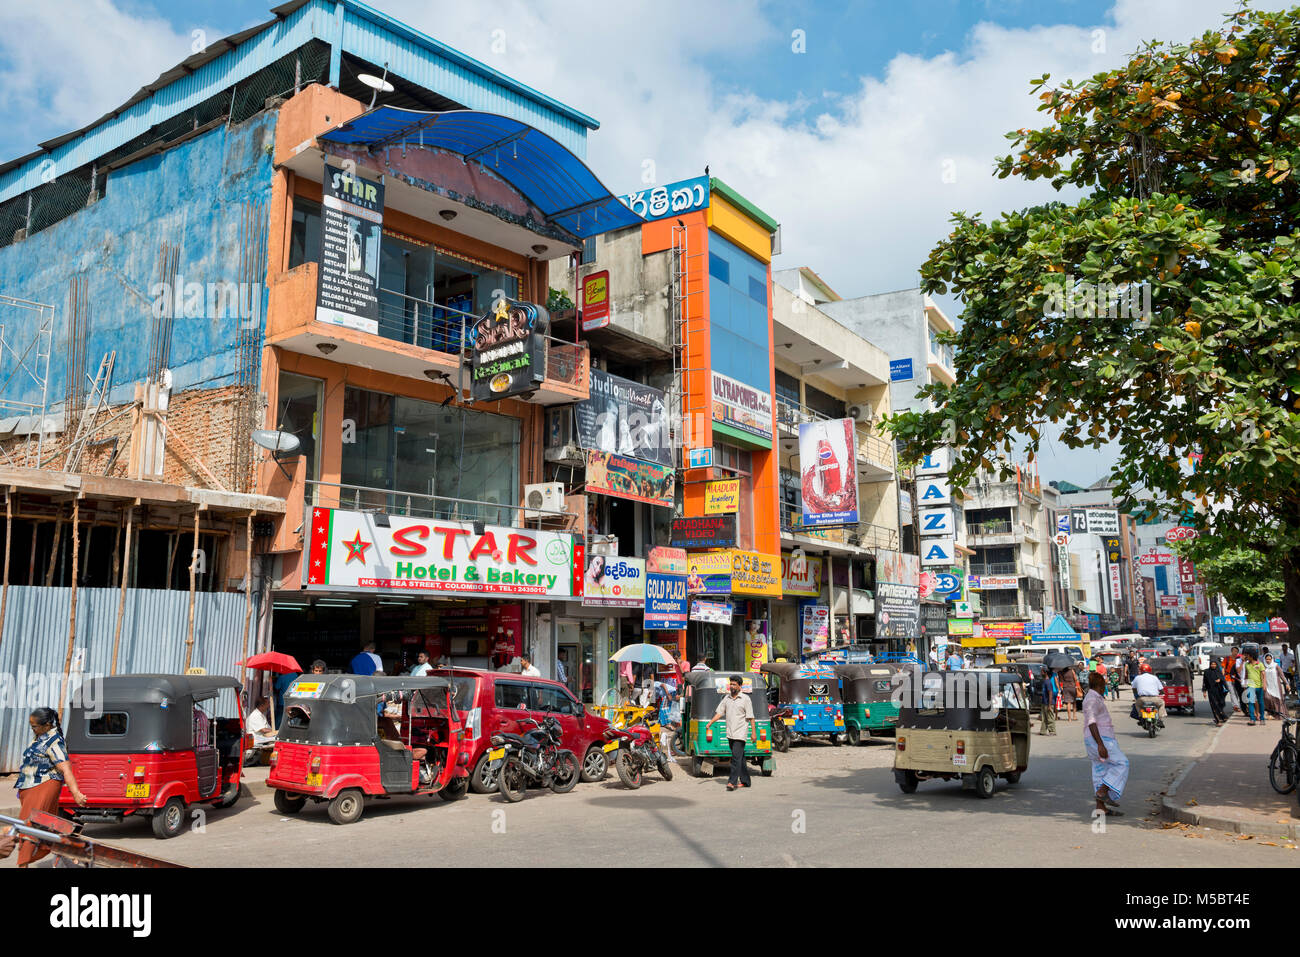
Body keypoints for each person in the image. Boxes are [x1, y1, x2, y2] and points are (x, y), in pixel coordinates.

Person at [0, 707, 88, 867]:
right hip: (31, 788)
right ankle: (68, 850)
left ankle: (23, 864)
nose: (32, 729)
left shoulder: (54, 742)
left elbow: (66, 769)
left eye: (34, 726)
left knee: (29, 826)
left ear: (47, 725)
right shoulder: (40, 737)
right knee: (38, 826)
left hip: (43, 787)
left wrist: (76, 793)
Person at [1083, 672, 1128, 817]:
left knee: (1100, 770)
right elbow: (1091, 722)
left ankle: (1100, 808)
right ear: (1100, 686)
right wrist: (1100, 744)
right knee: (1122, 764)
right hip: (1100, 739)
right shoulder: (1091, 700)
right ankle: (1102, 791)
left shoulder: (1094, 698)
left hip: (1096, 739)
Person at [706, 675, 757, 791]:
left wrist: (753, 733)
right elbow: (720, 712)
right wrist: (710, 723)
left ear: (740, 686)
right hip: (730, 733)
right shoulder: (727, 698)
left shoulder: (745, 699)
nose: (732, 686)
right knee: (740, 758)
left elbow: (751, 717)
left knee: (735, 758)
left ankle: (732, 782)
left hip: (740, 733)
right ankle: (746, 781)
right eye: (731, 684)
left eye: (734, 684)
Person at [1202, 657, 1230, 726]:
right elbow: (1205, 682)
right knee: (1214, 705)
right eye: (1212, 664)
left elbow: (1223, 679)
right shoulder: (1206, 672)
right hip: (1211, 691)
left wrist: (1220, 680)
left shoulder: (1218, 671)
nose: (1213, 665)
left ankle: (1223, 716)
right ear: (1210, 664)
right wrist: (1204, 692)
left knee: (1221, 704)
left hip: (1219, 690)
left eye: (1214, 664)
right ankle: (1218, 720)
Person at [1262, 652, 1289, 718]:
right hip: (1267, 686)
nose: (1268, 660)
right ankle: (1270, 713)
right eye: (1266, 659)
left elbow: (1282, 676)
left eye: (1269, 659)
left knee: (1277, 700)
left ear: (1272, 659)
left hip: (1276, 686)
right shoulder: (1263, 666)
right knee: (1267, 698)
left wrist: (1286, 684)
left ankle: (1279, 714)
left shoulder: (1276, 666)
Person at [1243, 650, 1266, 725]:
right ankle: (1252, 719)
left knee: (1261, 702)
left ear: (1252, 656)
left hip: (1259, 686)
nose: (1247, 657)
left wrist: (1264, 685)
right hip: (1250, 686)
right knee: (1251, 702)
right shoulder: (1246, 664)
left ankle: (1262, 719)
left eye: (1248, 656)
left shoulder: (1260, 664)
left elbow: (1263, 675)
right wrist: (1245, 684)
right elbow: (1246, 675)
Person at [1039, 668, 1058, 735]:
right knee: (1044, 718)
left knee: (1050, 718)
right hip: (1044, 702)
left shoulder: (1048, 682)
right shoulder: (1044, 681)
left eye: (1042, 672)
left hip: (1048, 703)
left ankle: (1052, 731)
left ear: (1045, 673)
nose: (1040, 673)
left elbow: (1050, 693)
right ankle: (1043, 731)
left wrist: (1050, 705)